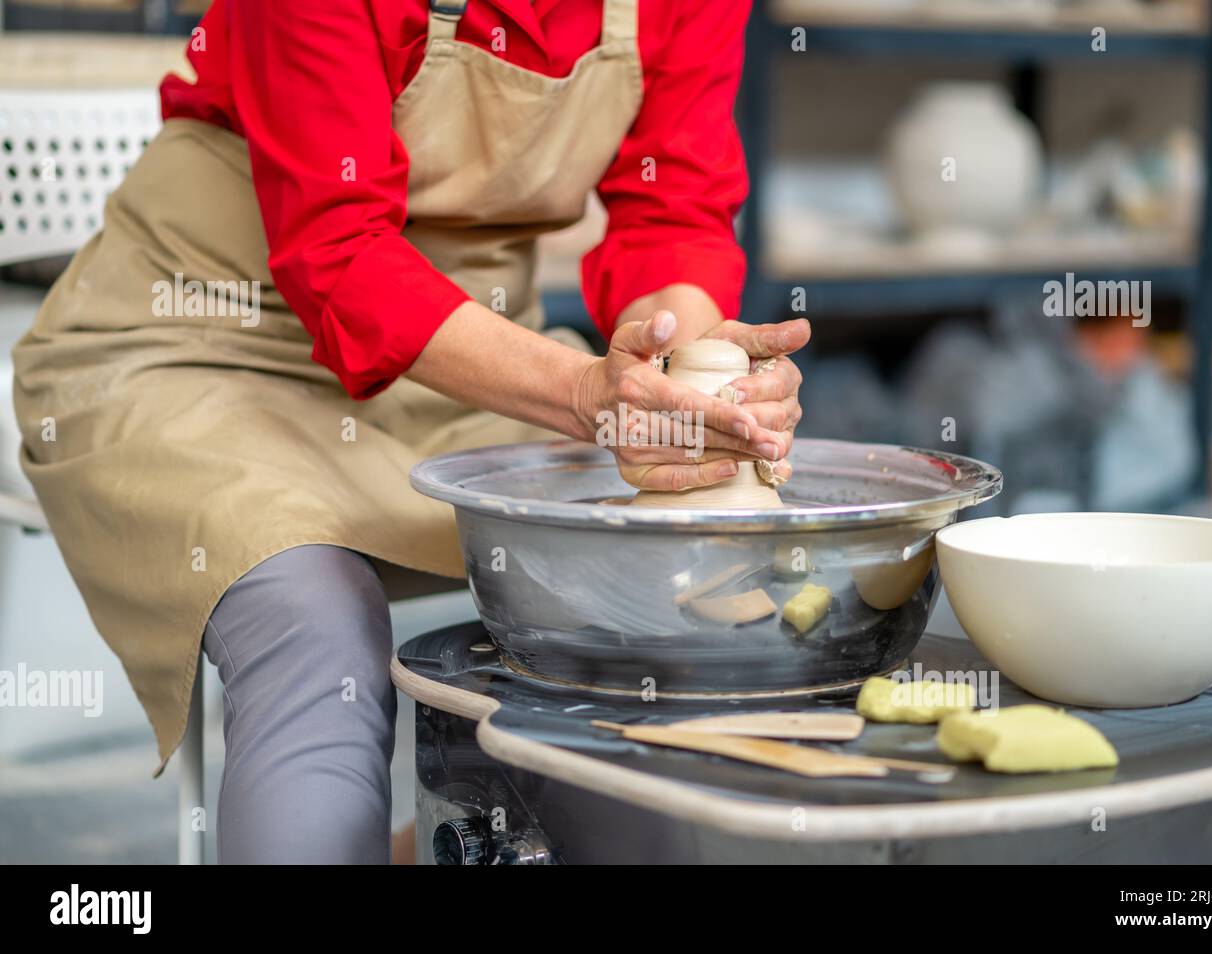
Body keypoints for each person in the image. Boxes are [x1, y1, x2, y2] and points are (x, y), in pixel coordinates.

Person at [12, 0, 808, 863]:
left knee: (621, 597)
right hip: (198, 342)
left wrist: (685, 375)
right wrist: (586, 395)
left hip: (472, 355)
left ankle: (443, 836)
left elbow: (672, 212)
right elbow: (339, 252)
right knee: (314, 622)